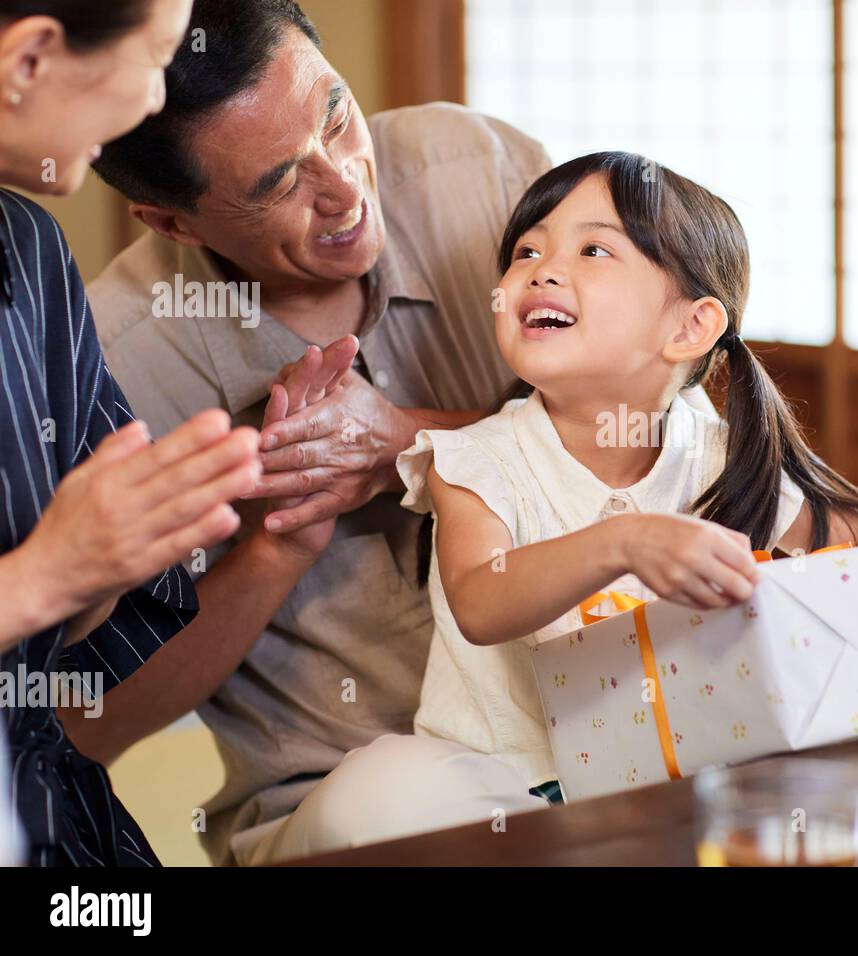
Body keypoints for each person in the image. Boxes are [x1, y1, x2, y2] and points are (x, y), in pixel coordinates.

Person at [396, 152, 858, 796]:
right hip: (501, 787)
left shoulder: (722, 458)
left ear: (690, 325)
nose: (544, 270)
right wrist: (624, 543)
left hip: (669, 775)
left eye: (593, 251)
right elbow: (479, 599)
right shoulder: (475, 458)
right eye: (526, 251)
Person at [85, 0, 556, 864]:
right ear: (175, 224)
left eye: (338, 117)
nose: (344, 187)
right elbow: (87, 730)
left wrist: (406, 442)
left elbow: (663, 422)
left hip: (592, 734)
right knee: (392, 807)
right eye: (279, 184)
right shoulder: (112, 368)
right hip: (333, 804)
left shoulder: (480, 173)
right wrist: (274, 548)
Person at [0, 0, 264, 866]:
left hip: (42, 806)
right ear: (30, 59)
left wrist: (126, 544)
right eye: (153, 58)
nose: (158, 100)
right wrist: (45, 574)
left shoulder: (30, 249)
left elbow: (88, 622)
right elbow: (49, 579)